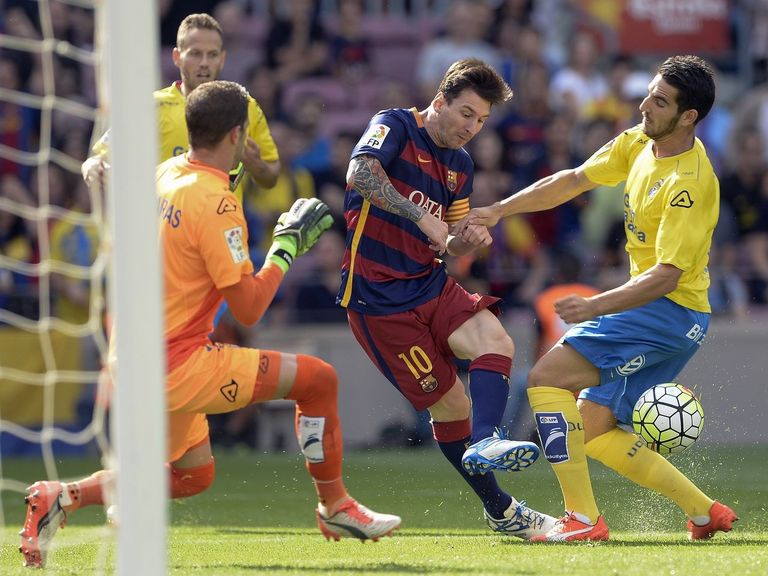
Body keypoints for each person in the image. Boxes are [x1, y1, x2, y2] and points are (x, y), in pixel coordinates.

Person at [19, 80, 400, 569]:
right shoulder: (217, 204)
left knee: (193, 475)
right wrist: (285, 247)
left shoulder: (166, 172)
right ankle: (336, 506)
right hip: (180, 363)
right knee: (318, 380)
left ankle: (59, 496)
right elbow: (247, 310)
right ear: (238, 134)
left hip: (133, 354)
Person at [458, 55, 738, 542]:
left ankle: (583, 521)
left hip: (663, 310)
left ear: (689, 116)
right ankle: (704, 511)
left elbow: (667, 276)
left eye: (660, 100)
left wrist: (595, 306)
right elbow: (571, 180)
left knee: (545, 378)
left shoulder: (689, 185)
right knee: (593, 428)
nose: (645, 105)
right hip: (679, 318)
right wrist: (500, 210)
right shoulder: (638, 142)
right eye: (649, 92)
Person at [338, 58, 556, 538]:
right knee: (452, 405)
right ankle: (501, 508)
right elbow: (360, 173)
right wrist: (419, 216)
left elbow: (449, 241)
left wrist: (466, 240)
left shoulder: (461, 164)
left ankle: (488, 440)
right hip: (379, 300)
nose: (471, 128)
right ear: (439, 102)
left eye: (480, 120)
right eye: (465, 114)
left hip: (430, 282)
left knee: (496, 340)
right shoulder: (394, 124)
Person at [82, 12, 280, 200]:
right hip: (162, 230)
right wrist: (93, 168)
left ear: (222, 59)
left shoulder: (244, 106)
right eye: (195, 54)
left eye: (212, 55)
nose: (204, 63)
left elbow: (271, 177)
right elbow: (97, 158)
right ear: (177, 57)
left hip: (222, 229)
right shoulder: (150, 107)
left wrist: (256, 165)